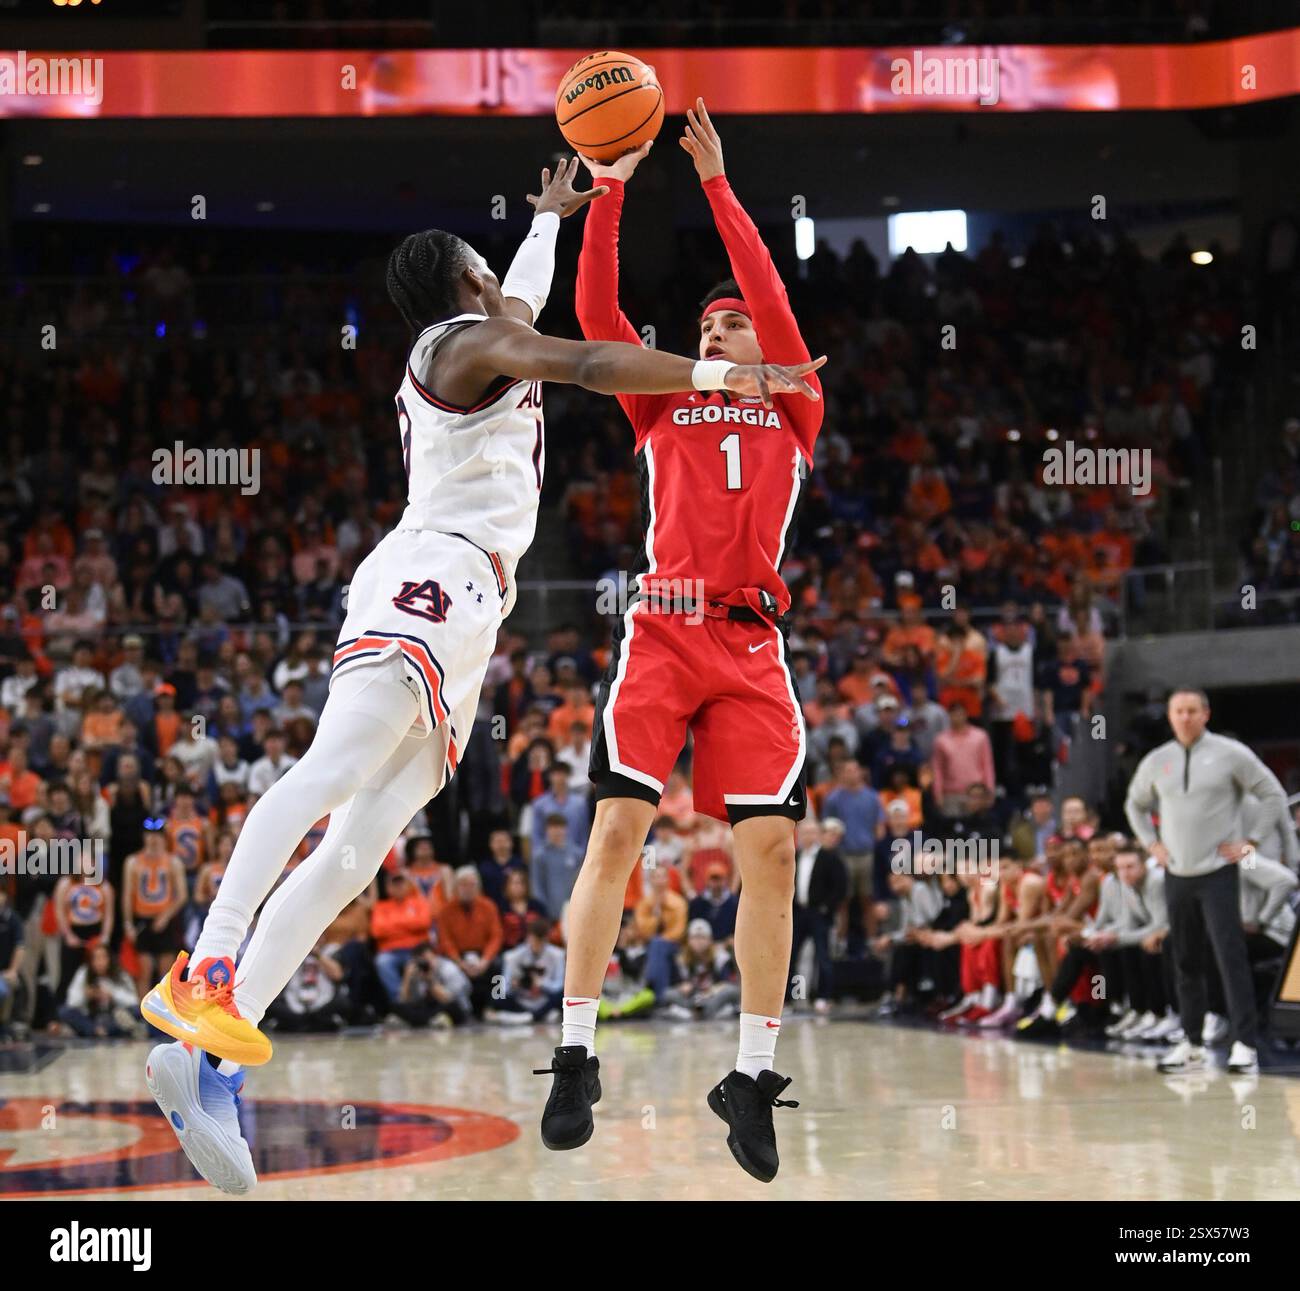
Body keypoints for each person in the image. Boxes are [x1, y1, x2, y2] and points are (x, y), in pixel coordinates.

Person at [141, 156, 821, 1194]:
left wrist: (554, 215)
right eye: (489, 266)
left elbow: (530, 292)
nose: (504, 275)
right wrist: (717, 372)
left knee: (356, 851)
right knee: (330, 773)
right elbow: (589, 358)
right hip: (427, 577)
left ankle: (209, 1063)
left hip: (472, 607)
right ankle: (209, 967)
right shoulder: (468, 343)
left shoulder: (486, 328)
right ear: (467, 281)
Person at [537, 100, 826, 1183]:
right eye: (703, 328)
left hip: (752, 648)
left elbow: (770, 289)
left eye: (727, 325)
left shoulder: (796, 400)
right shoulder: (664, 402)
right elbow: (598, 313)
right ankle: (575, 1051)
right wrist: (610, 186)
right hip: (662, 630)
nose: (713, 334)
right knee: (618, 833)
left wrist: (714, 180)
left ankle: (750, 1076)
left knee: (771, 853)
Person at [1125, 688, 1288, 1075]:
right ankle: (1191, 1042)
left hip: (1218, 871)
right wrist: (1151, 844)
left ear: (1206, 714)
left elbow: (1273, 795)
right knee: (1184, 960)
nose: (1185, 717)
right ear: (1169, 715)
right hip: (1176, 872)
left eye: (1192, 711)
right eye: (1178, 711)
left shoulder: (1231, 754)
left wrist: (1252, 842)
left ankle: (1244, 1044)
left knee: (1230, 958)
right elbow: (1135, 803)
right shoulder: (1157, 760)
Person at [791, 818, 848, 1011]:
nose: (808, 836)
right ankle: (790, 997)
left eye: (812, 832)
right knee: (791, 955)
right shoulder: (795, 856)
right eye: (804, 833)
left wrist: (826, 907)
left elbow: (840, 887)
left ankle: (823, 996)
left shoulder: (829, 857)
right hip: (798, 912)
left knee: (822, 955)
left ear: (818, 835)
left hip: (819, 913)